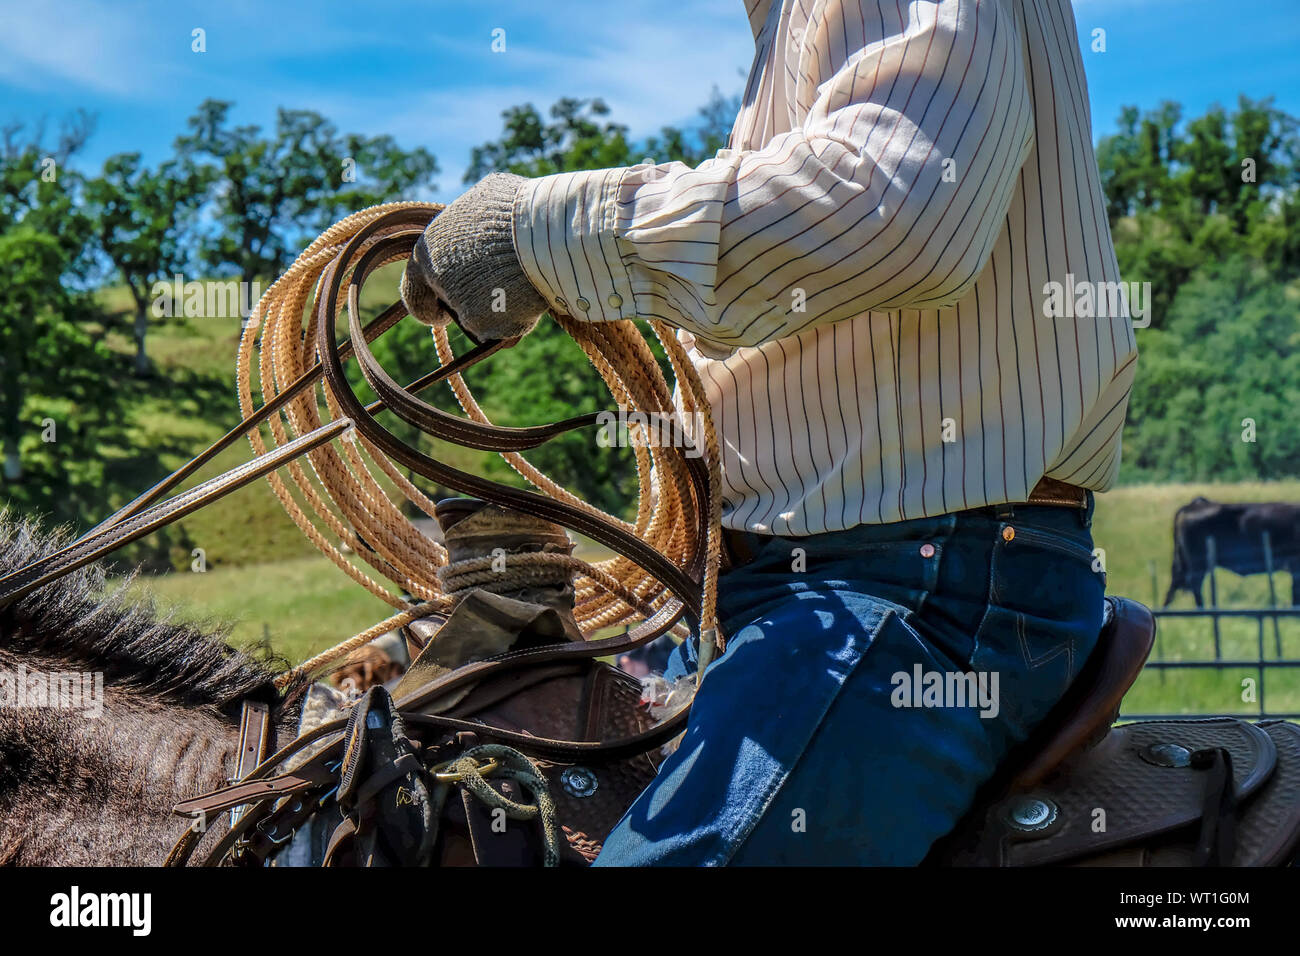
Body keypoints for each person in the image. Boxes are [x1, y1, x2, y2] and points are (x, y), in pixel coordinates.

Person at [400, 0, 1138, 865]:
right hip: (815, 587)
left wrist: (542, 234)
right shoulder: (788, 33)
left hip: (917, 589)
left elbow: (897, 208)